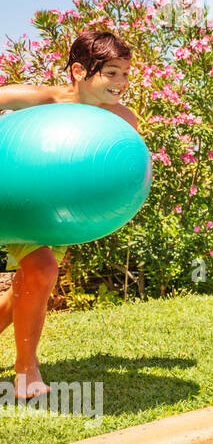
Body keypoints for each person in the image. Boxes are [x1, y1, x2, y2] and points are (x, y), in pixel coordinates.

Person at [0, 29, 139, 399]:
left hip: (57, 210)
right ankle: (26, 372)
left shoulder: (122, 120)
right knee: (42, 270)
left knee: (31, 282)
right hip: (15, 196)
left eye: (126, 73)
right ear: (79, 71)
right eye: (111, 72)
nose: (121, 82)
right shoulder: (43, 99)